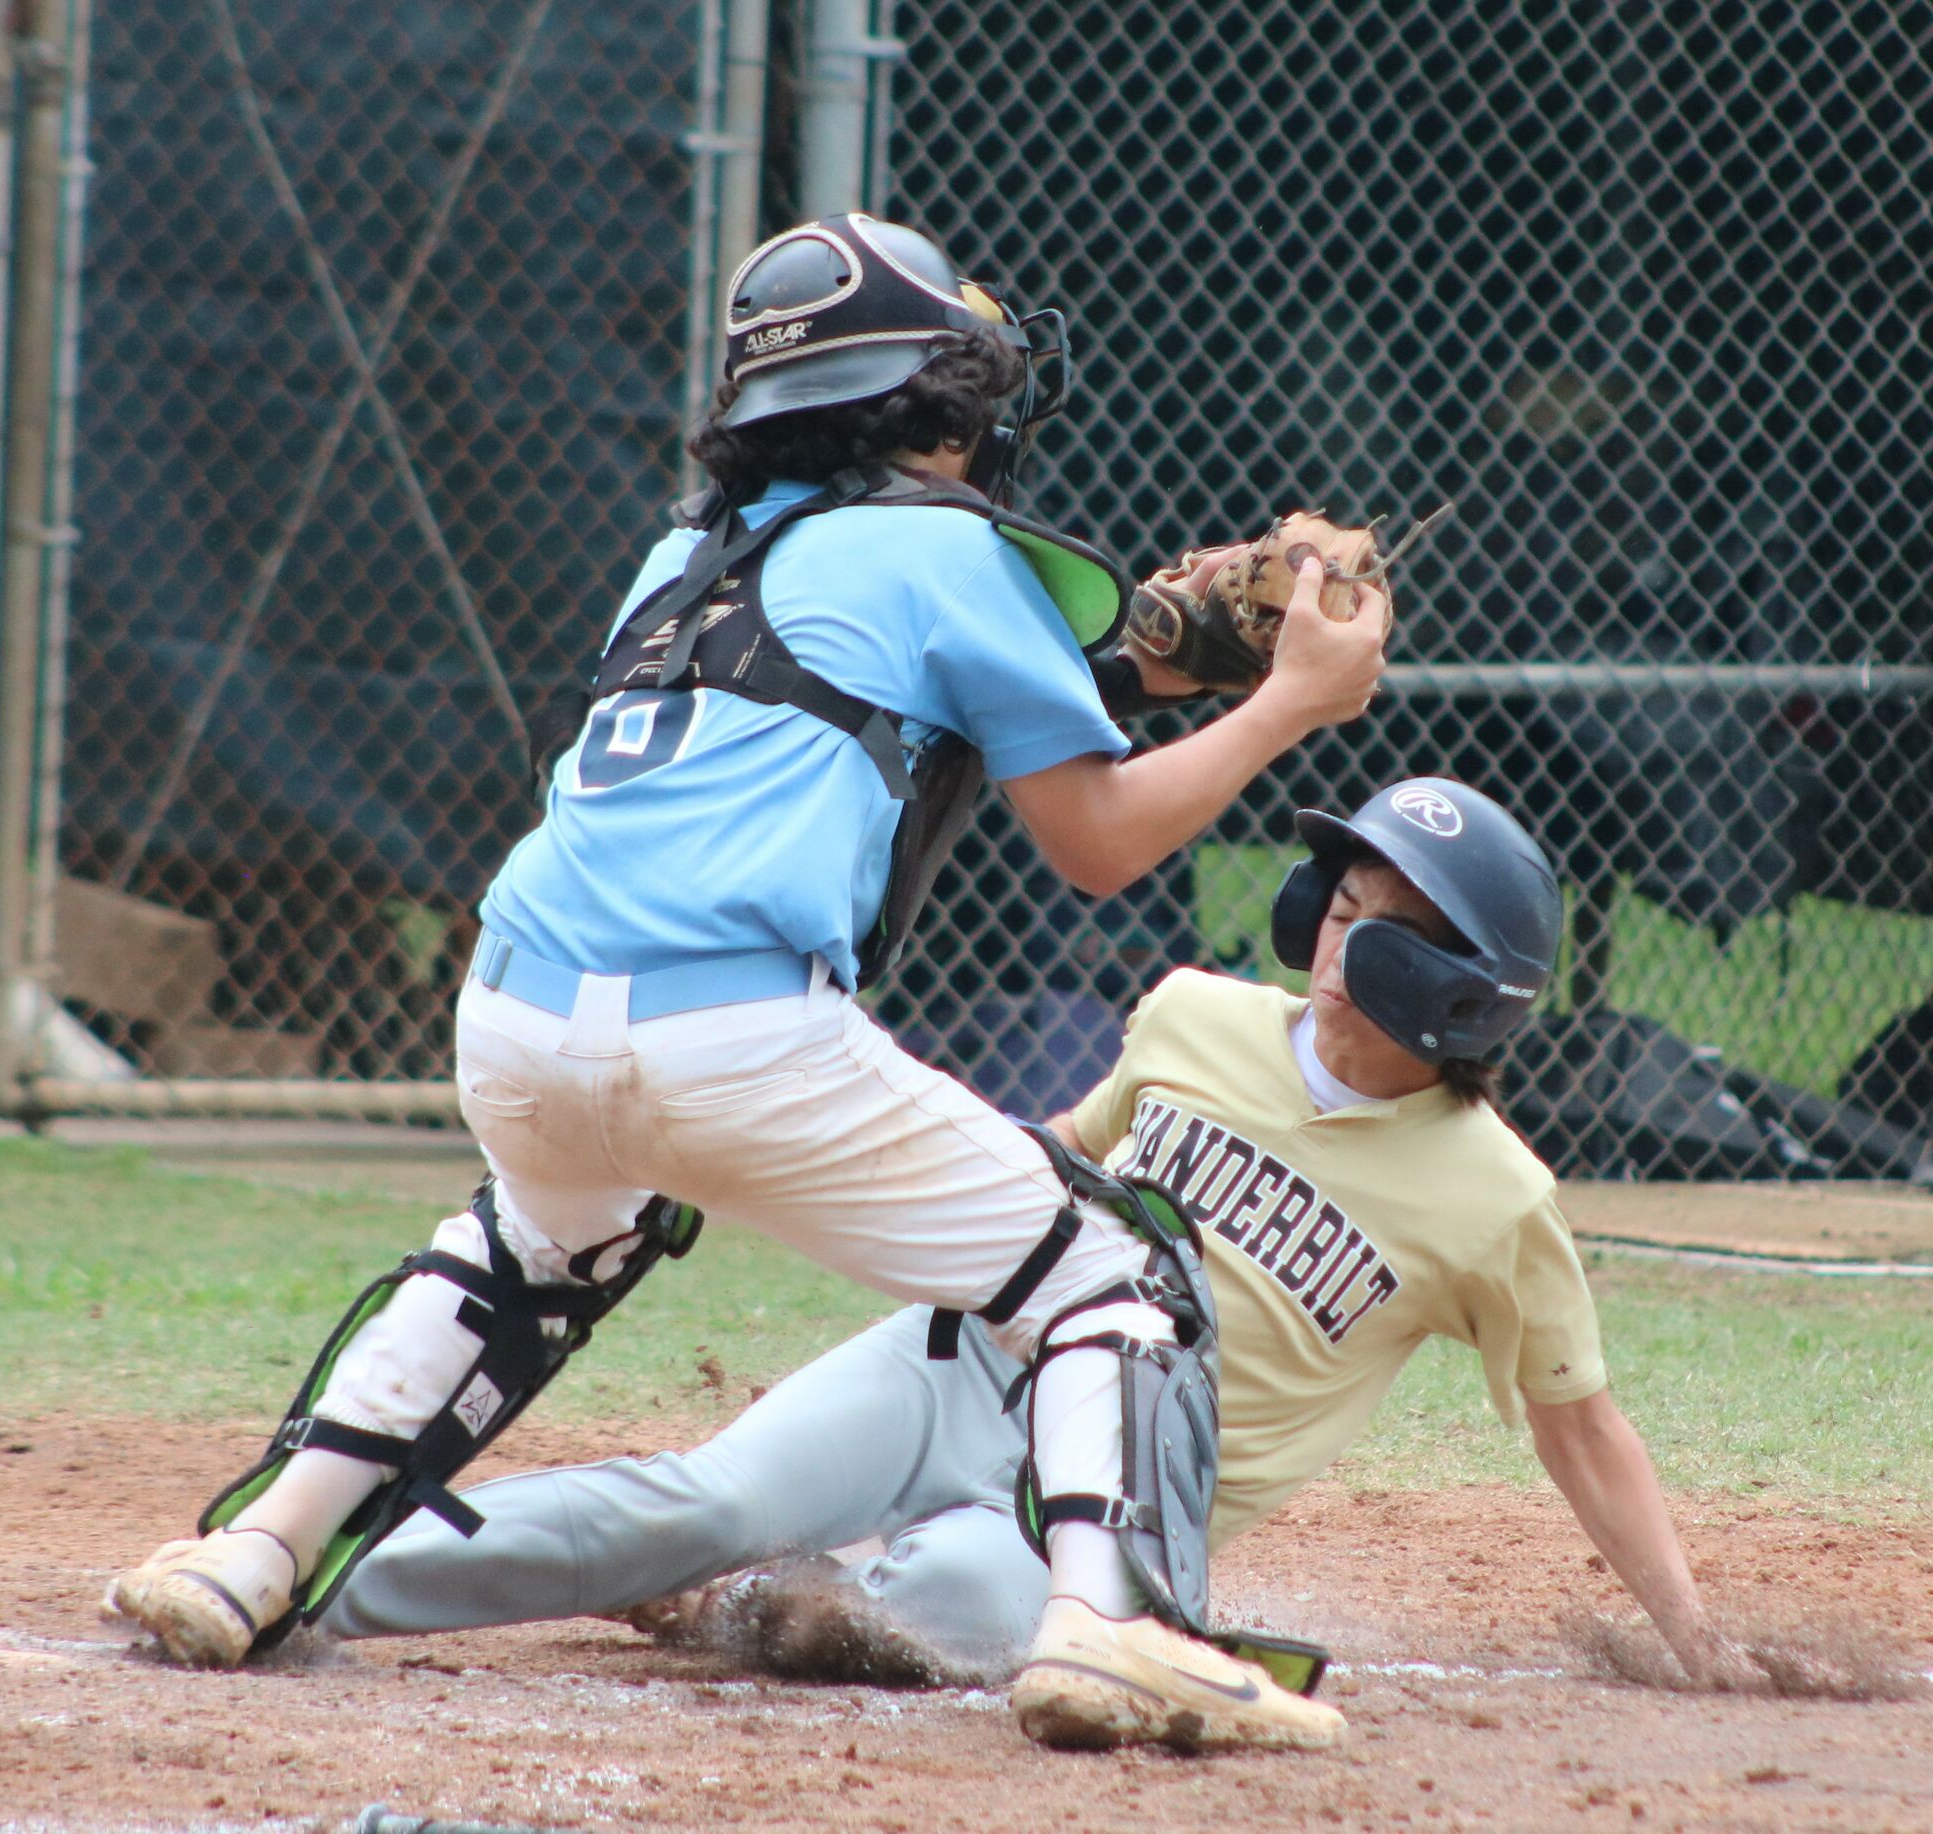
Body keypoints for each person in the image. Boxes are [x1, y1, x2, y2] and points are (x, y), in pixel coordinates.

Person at [105, 211, 1386, 1755]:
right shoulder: (944, 544)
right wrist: (1292, 704)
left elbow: (924, 696)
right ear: (929, 407)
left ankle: (254, 1552)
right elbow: (1098, 839)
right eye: (964, 402)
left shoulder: (683, 557)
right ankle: (1110, 1624)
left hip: (515, 1017)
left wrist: (1169, 656)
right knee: (1115, 1279)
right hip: (734, 1033)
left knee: (525, 1257)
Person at [311, 778, 1764, 1700]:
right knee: (700, 1497)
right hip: (958, 1364)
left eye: (1386, 924)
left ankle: (739, 1606)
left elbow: (1583, 1429)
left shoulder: (1493, 1196)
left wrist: (1690, 1630)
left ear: (1462, 994)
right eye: (1343, 900)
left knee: (942, 1605)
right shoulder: (1195, 1012)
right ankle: (299, 1561)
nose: (1334, 937)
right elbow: (1051, 1158)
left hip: (1114, 1492)